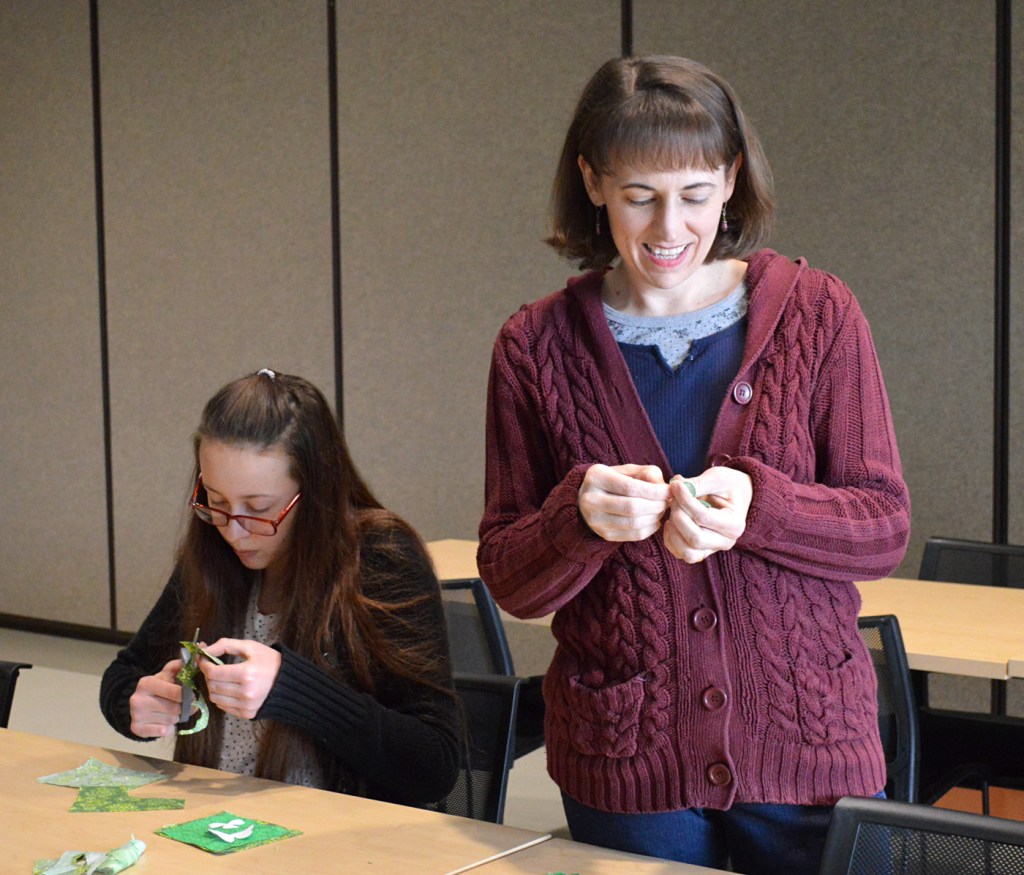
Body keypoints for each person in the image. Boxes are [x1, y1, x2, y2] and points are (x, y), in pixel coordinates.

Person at [478, 56, 910, 874]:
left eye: (696, 195)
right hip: (626, 760)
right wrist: (576, 522)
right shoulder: (534, 346)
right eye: (639, 195)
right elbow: (510, 578)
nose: (668, 228)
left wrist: (762, 509)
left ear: (733, 179)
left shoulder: (819, 315)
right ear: (593, 183)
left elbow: (882, 527)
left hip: (807, 743)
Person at [101, 369, 460, 807]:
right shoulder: (213, 550)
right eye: (215, 501)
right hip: (210, 826)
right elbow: (124, 674)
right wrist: (138, 705)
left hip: (327, 838)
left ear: (314, 491)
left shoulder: (380, 556)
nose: (234, 532)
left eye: (258, 509)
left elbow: (435, 766)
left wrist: (293, 690)